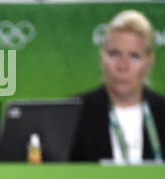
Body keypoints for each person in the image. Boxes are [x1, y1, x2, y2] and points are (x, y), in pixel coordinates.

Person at [69, 10, 164, 163]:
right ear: (102, 58)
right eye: (114, 54)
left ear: (149, 62)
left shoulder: (162, 112)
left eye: (134, 56)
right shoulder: (76, 113)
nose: (123, 66)